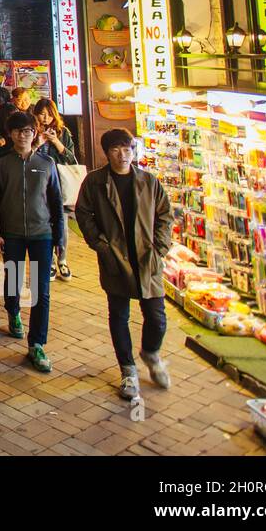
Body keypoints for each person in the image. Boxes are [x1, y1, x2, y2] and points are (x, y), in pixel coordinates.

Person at [75, 128, 175, 401]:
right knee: (119, 316)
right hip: (115, 259)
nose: (123, 155)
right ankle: (128, 370)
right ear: (107, 153)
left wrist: (160, 247)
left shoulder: (148, 182)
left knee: (156, 317)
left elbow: (165, 215)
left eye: (127, 149)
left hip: (147, 259)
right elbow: (83, 213)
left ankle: (151, 352)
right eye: (116, 150)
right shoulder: (95, 183)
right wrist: (100, 245)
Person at [0, 111, 65, 374]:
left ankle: (37, 344)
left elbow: (56, 203)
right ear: (11, 134)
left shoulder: (46, 164)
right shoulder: (1, 163)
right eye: (19, 131)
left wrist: (60, 238)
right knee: (14, 280)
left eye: (28, 131)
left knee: (42, 291)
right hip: (12, 233)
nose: (23, 135)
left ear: (35, 133)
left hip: (42, 233)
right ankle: (12, 310)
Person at [33, 97, 79, 280]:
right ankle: (50, 261)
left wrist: (56, 142)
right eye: (41, 114)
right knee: (44, 223)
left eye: (48, 114)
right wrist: (39, 142)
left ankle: (63, 259)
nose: (45, 118)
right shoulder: (33, 132)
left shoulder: (63, 132)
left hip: (59, 184)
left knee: (62, 225)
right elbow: (26, 155)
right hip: (38, 184)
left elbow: (71, 159)